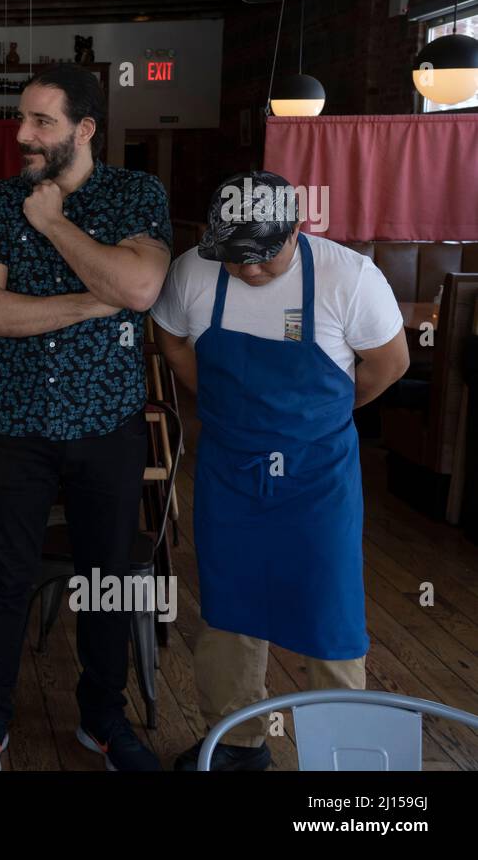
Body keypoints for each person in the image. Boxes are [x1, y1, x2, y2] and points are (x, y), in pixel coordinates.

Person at [151, 170, 409, 770]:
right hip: (229, 466)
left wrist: (316, 417)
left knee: (331, 609)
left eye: (264, 257)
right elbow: (171, 342)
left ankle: (347, 756)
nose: (249, 272)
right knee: (228, 606)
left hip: (319, 473)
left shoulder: (348, 278)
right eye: (234, 259)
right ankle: (237, 745)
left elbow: (388, 364)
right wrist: (224, 412)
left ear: (298, 227)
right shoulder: (192, 272)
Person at [0, 62, 172, 771]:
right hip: (13, 425)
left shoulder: (135, 194)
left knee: (105, 577)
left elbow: (140, 287)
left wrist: (52, 226)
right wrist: (89, 301)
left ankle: (102, 718)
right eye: (22, 119)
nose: (22, 134)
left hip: (106, 424)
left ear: (84, 129)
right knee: (3, 577)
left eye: (41, 122)